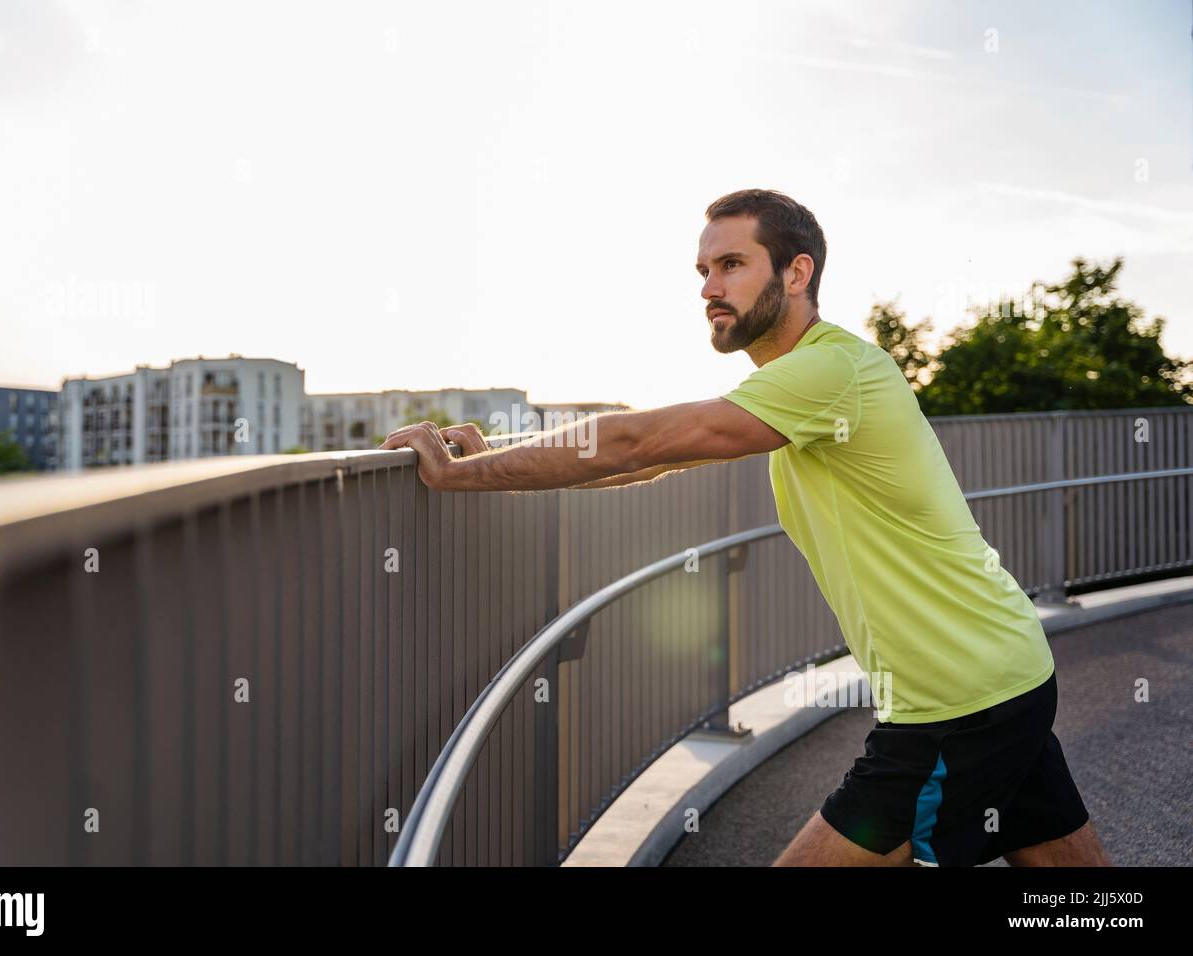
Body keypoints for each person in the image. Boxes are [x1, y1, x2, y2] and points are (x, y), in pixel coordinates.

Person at [381, 187, 1109, 867]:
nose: (708, 288)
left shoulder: (833, 372)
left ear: (797, 273)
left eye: (731, 264)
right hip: (1000, 670)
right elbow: (647, 463)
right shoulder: (803, 385)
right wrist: (499, 460)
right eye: (702, 270)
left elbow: (640, 441)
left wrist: (462, 475)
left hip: (961, 703)